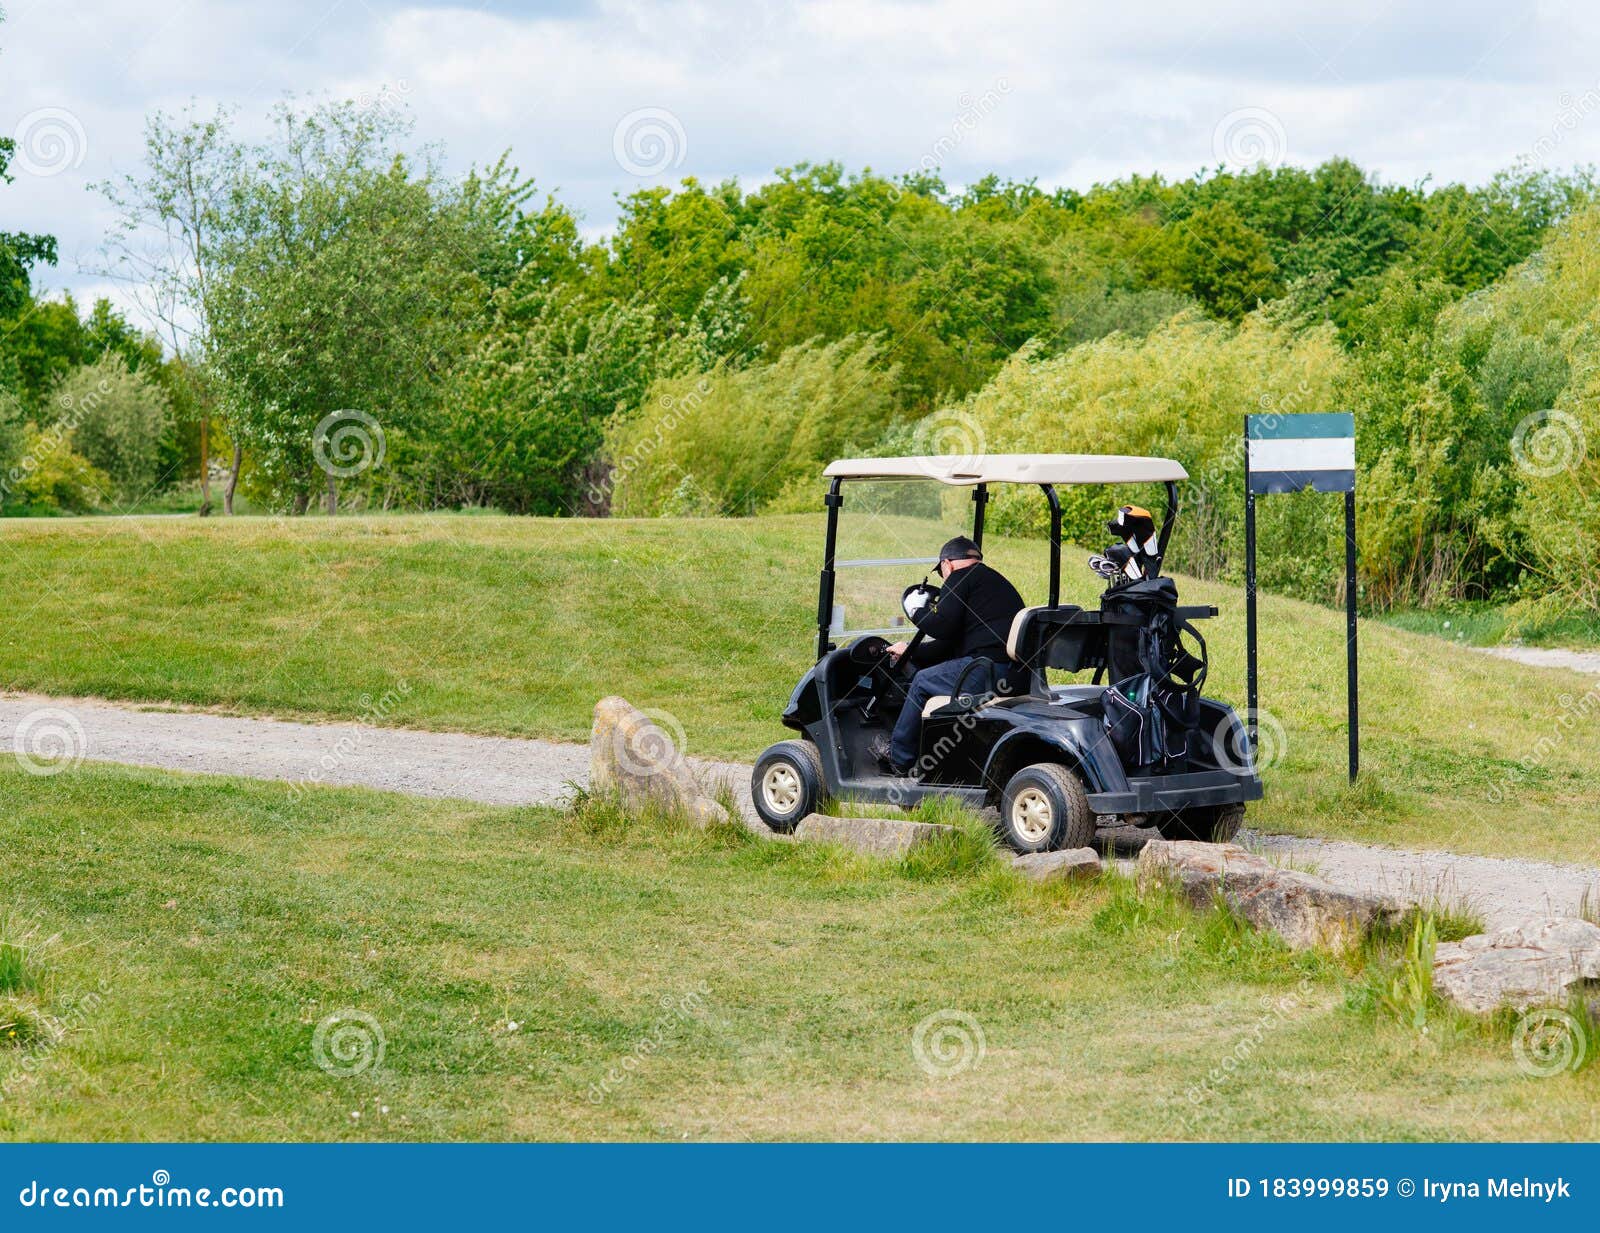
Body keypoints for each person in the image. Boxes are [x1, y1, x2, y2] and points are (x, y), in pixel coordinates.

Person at [870, 535, 1025, 776]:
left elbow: (940, 626)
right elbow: (948, 643)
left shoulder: (960, 578)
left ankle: (898, 759)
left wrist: (916, 609)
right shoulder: (993, 582)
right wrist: (910, 651)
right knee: (930, 675)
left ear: (947, 564)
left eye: (942, 573)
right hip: (1013, 675)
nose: (944, 581)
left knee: (921, 681)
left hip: (986, 672)